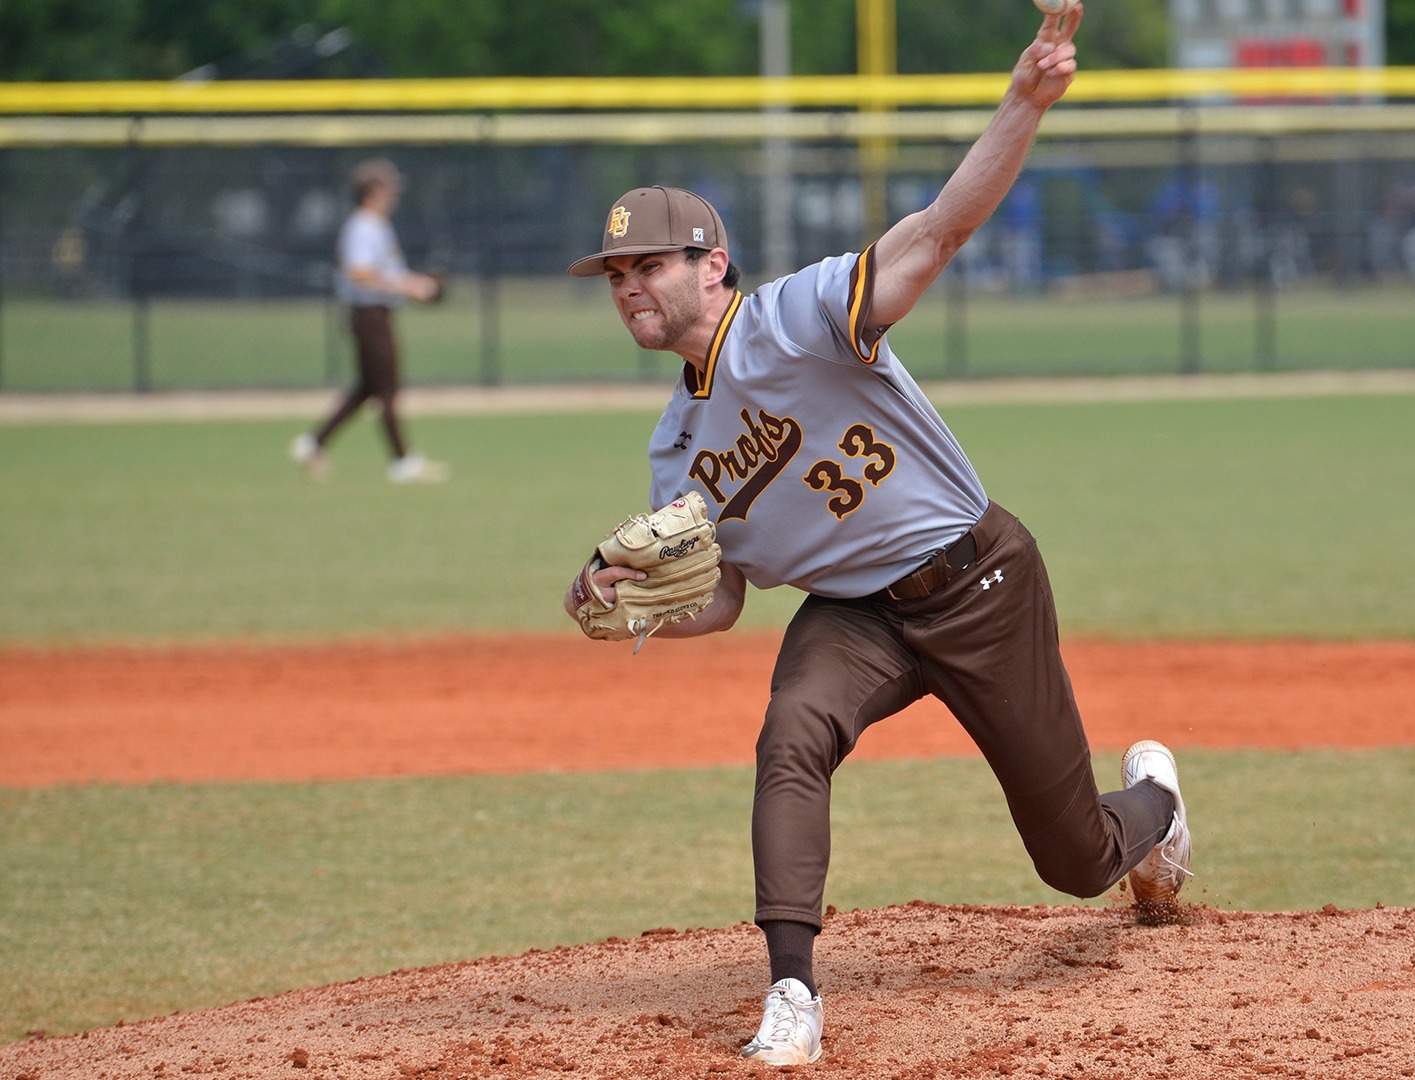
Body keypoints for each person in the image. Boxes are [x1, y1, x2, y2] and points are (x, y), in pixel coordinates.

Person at [562, 6, 1190, 1067]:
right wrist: (632, 604)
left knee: (1076, 859)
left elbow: (938, 230)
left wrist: (1022, 103)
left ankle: (1158, 808)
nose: (628, 287)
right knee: (790, 735)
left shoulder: (800, 315)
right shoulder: (676, 447)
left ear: (713, 266)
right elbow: (723, 595)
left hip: (979, 583)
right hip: (855, 618)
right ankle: (792, 992)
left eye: (649, 265)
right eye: (617, 275)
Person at [291, 157, 449, 484]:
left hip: (377, 312)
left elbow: (385, 271)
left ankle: (312, 446)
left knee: (367, 388)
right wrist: (407, 287)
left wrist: (416, 282)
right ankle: (403, 462)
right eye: (390, 188)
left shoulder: (376, 224)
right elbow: (360, 273)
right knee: (387, 390)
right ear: (374, 191)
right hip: (369, 315)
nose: (395, 194)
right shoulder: (363, 226)